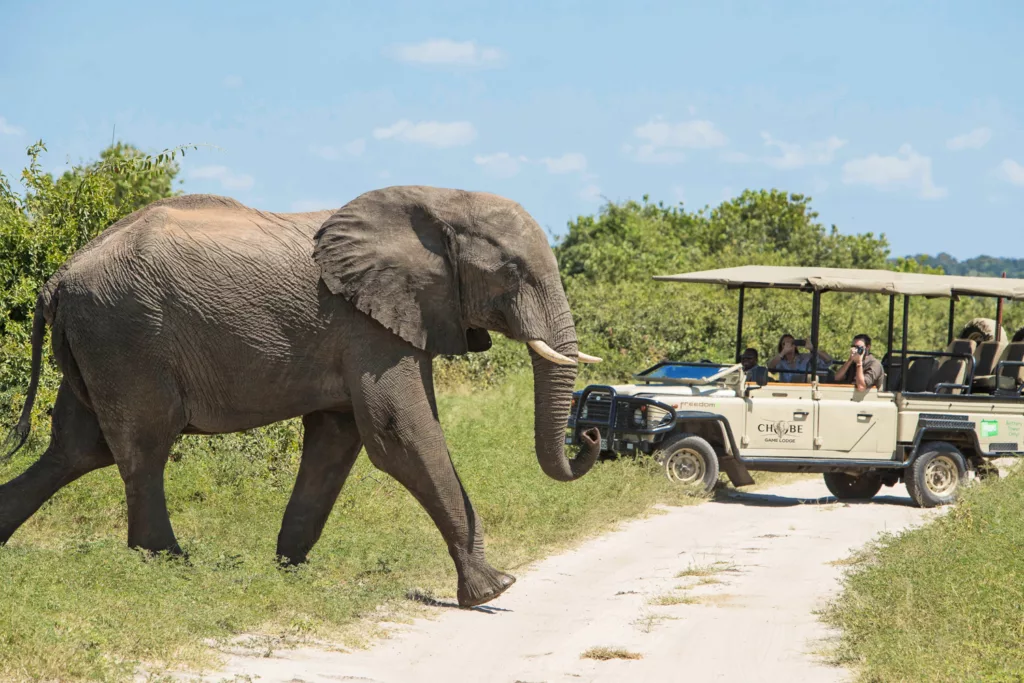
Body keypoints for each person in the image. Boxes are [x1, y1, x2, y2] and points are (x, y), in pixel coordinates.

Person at [768, 333, 832, 383]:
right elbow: (770, 367)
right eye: (784, 343)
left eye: (791, 342)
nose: (788, 345)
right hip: (786, 392)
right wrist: (783, 352)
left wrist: (813, 349)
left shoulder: (805, 357)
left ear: (795, 345)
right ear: (781, 347)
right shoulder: (780, 361)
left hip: (803, 390)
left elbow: (828, 360)